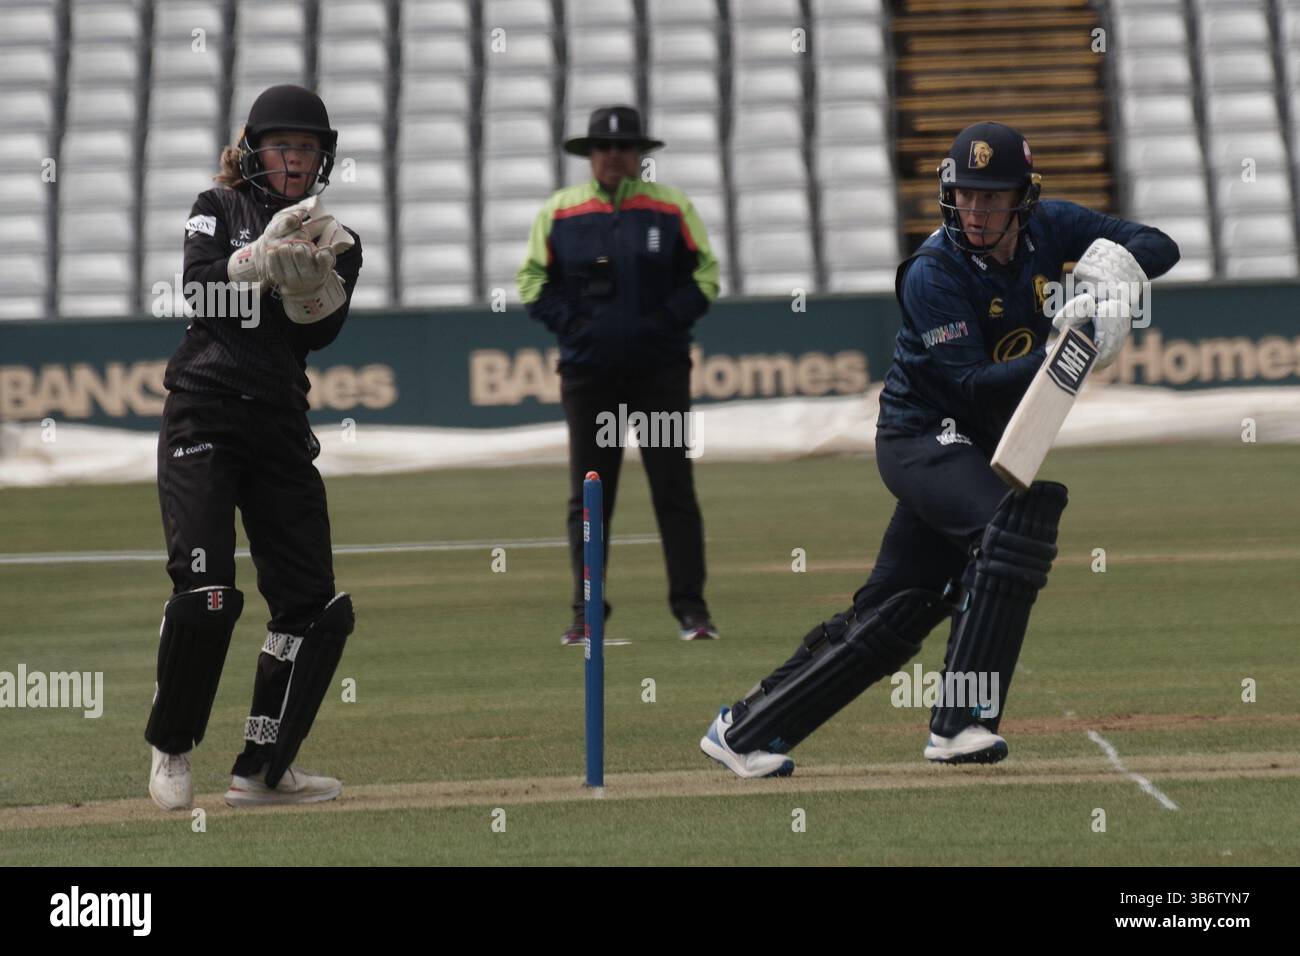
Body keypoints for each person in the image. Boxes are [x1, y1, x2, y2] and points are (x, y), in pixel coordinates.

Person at [700, 121, 1180, 777]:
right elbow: (971, 384)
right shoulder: (933, 272)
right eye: (966, 195)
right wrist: (1068, 344)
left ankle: (745, 729)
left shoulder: (1052, 229)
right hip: (920, 435)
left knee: (896, 611)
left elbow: (1160, 244)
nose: (977, 211)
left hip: (976, 447)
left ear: (1023, 198)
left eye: (992, 197)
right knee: (1006, 535)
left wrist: (1113, 278)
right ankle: (961, 723)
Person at [145, 84, 363, 809]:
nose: (294, 161)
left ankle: (263, 769)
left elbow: (317, 335)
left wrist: (309, 286)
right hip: (203, 413)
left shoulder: (337, 240)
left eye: (307, 150)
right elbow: (200, 293)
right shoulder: (217, 207)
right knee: (209, 597)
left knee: (314, 608)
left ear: (321, 158)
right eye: (282, 148)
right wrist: (256, 261)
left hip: (276, 422)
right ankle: (173, 747)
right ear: (254, 151)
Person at [517, 105, 722, 645]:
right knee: (590, 494)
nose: (614, 156)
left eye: (624, 147)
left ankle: (692, 611)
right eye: (605, 148)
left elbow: (706, 275)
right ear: (591, 155)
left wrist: (663, 325)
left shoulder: (672, 208)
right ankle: (586, 614)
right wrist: (577, 329)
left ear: (639, 155)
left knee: (673, 490)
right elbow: (532, 282)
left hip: (660, 374)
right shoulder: (559, 213)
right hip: (590, 377)